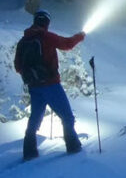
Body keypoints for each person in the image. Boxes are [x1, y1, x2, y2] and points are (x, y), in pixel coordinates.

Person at [20, 10, 86, 160]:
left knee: (35, 119)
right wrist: (80, 36)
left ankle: (29, 152)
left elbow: (18, 66)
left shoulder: (24, 41)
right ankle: (73, 146)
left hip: (34, 87)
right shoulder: (47, 37)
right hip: (51, 85)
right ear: (47, 23)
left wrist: (34, 75)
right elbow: (68, 44)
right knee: (67, 117)